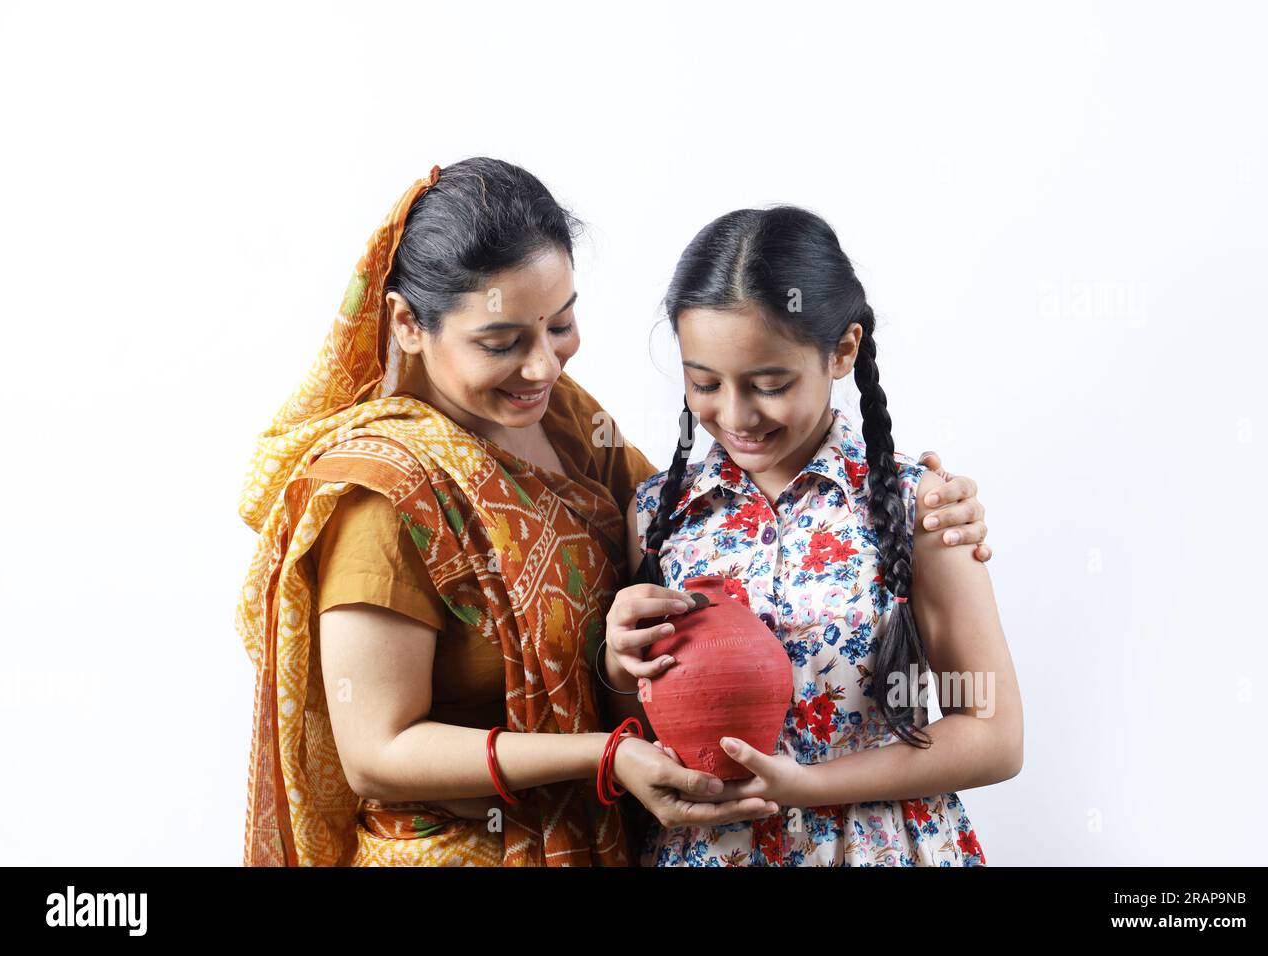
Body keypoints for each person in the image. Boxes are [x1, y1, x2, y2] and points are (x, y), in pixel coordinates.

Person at [234, 158, 996, 866]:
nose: (541, 366)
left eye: (559, 324)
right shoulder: (383, 491)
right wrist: (607, 748)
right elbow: (376, 753)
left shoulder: (568, 425)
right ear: (407, 324)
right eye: (501, 341)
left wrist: (912, 506)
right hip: (461, 847)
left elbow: (680, 558)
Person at [603, 205, 1022, 866]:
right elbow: (637, 713)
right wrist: (616, 657)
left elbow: (994, 734)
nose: (736, 416)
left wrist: (809, 786)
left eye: (770, 384)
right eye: (704, 384)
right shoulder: (658, 514)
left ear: (842, 351)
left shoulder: (924, 507)